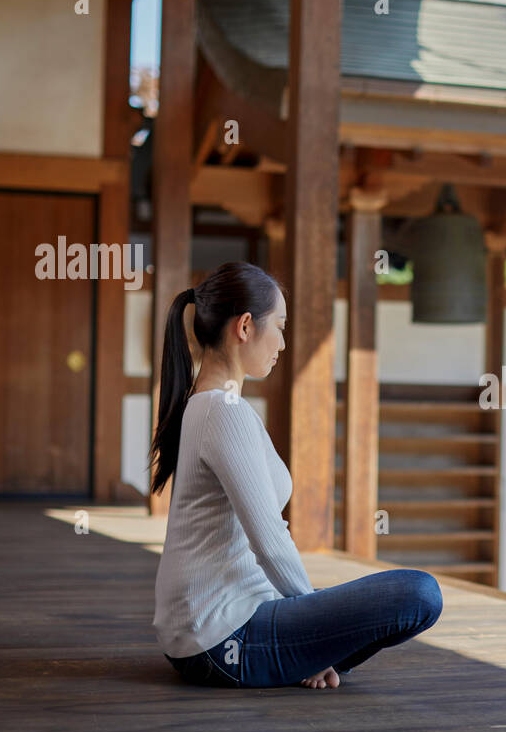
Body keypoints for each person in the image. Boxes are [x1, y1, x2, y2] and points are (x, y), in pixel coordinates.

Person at [149, 261, 442, 689]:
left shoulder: (210, 406)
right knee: (419, 593)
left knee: (393, 597)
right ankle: (314, 658)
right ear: (245, 326)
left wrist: (312, 633)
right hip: (222, 640)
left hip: (216, 632)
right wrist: (318, 636)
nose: (283, 343)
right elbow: (268, 539)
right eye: (280, 326)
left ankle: (309, 658)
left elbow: (253, 551)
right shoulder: (222, 411)